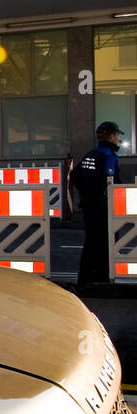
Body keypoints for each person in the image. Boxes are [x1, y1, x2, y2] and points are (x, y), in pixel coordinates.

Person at [71, 121, 126, 289]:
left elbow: (75, 175)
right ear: (111, 136)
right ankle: (101, 279)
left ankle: (85, 279)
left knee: (91, 242)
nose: (118, 139)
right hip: (103, 208)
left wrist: (86, 194)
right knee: (106, 243)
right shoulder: (108, 156)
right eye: (117, 135)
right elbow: (112, 183)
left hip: (89, 207)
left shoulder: (90, 154)